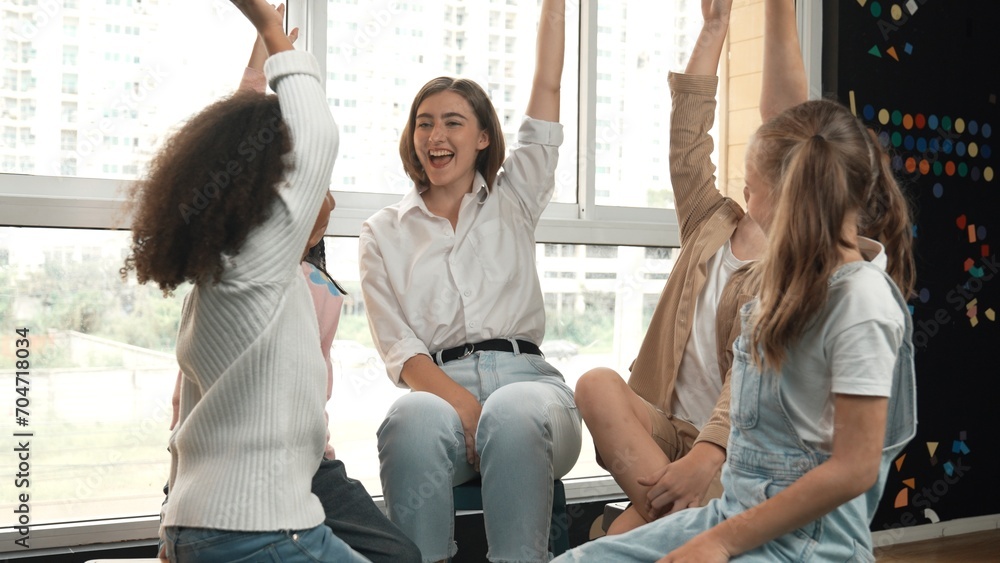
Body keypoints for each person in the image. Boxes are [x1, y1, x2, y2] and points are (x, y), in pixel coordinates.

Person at [552, 4, 917, 563]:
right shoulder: (741, 239)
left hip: (794, 539)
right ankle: (648, 517)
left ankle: (640, 517)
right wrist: (753, 15)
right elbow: (760, 121)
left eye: (751, 187)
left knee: (619, 541)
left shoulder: (851, 296)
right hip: (731, 506)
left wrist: (716, 534)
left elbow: (855, 468)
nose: (746, 197)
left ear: (793, 191)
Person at [122, 1, 366, 561]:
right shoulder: (261, 262)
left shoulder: (218, 276)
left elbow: (191, 423)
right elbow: (318, 139)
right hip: (265, 533)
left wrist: (172, 531)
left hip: (200, 529)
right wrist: (273, 33)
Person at [357, 0, 581, 561]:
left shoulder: (515, 198)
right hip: (437, 390)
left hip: (529, 385)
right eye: (424, 122)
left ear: (483, 138)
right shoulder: (382, 232)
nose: (435, 133)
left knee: (513, 414)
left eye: (453, 121)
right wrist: (462, 405)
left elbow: (548, 91)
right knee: (408, 419)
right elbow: (403, 353)